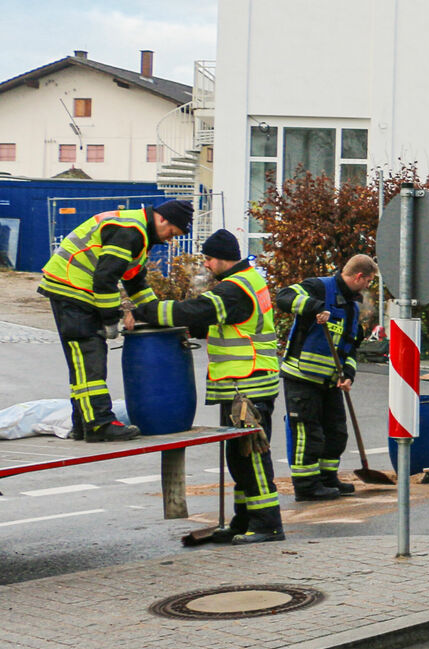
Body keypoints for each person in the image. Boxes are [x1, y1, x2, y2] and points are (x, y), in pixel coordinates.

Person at [131, 229, 285, 544]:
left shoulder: (234, 289)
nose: (206, 264)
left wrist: (147, 310)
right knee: (240, 457)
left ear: (218, 258)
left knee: (252, 456)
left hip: (247, 386)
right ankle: (244, 521)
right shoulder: (247, 281)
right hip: (244, 385)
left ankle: (268, 525)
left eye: (208, 258)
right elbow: (212, 320)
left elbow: (196, 310)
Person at [40, 199, 192, 441]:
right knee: (89, 356)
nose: (169, 239)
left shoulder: (139, 233)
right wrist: (111, 320)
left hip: (75, 288)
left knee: (84, 361)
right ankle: (99, 424)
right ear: (162, 219)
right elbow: (105, 280)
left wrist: (155, 312)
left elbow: (134, 281)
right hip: (72, 288)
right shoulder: (130, 231)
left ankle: (84, 422)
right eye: (171, 233)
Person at [276, 255, 378, 501]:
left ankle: (327, 478)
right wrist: (314, 307)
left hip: (331, 381)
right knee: (308, 433)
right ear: (358, 277)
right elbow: (283, 297)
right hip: (302, 377)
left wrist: (349, 375)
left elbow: (350, 347)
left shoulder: (353, 307)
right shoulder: (319, 287)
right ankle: (307, 486)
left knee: (335, 432)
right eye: (369, 281)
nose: (368, 286)